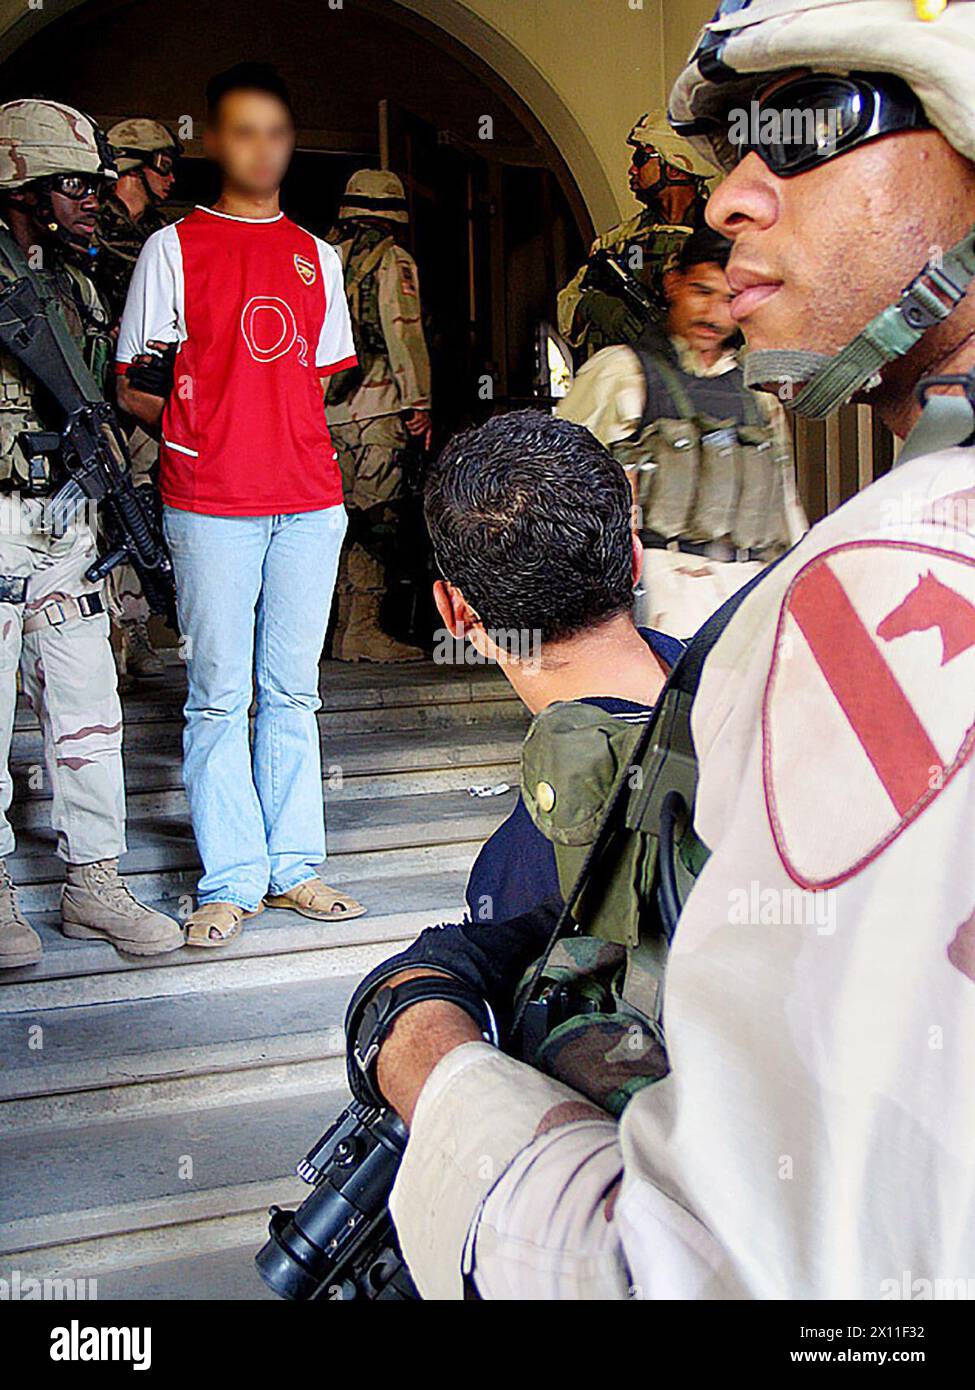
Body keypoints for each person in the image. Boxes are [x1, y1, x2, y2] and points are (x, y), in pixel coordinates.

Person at [346, 0, 975, 1299]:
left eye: (803, 127)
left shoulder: (887, 579)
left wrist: (426, 1054)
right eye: (718, 156)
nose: (732, 199)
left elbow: (703, 1277)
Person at [116, 63, 366, 947]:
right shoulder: (173, 249)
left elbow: (321, 377)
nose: (262, 148)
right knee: (219, 696)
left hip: (308, 498)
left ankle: (295, 865)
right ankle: (230, 880)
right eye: (243, 130)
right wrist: (202, 425)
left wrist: (267, 422)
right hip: (209, 500)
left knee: (292, 691)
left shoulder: (318, 256)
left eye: (277, 131)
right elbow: (132, 384)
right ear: (215, 142)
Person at [0, 99, 182, 970]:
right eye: (72, 184)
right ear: (20, 186)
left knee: (87, 709)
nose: (90, 200)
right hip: (0, 518)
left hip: (65, 519)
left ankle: (93, 882)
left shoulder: (72, 281)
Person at [558, 226, 805, 638]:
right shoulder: (620, 373)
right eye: (701, 292)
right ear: (674, 283)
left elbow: (786, 509)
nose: (713, 314)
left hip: (744, 607)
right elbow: (559, 491)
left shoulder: (757, 395)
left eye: (729, 299)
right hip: (655, 604)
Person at [325, 169, 433, 663]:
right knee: (376, 519)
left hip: (326, 415)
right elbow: (403, 331)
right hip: (378, 408)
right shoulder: (393, 260)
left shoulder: (321, 257)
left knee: (334, 523)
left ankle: (335, 632)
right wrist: (420, 402)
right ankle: (362, 630)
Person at [95, 117, 183, 688]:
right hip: (95, 395)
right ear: (132, 165)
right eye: (162, 164)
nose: (170, 178)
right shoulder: (83, 223)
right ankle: (104, 638)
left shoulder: (167, 236)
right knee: (100, 515)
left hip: (147, 395)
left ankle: (131, 629)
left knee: (142, 513)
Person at [557, 113, 712, 359]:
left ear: (675, 169)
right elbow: (566, 309)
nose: (632, 169)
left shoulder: (724, 237)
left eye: (641, 158)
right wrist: (594, 306)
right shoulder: (618, 241)